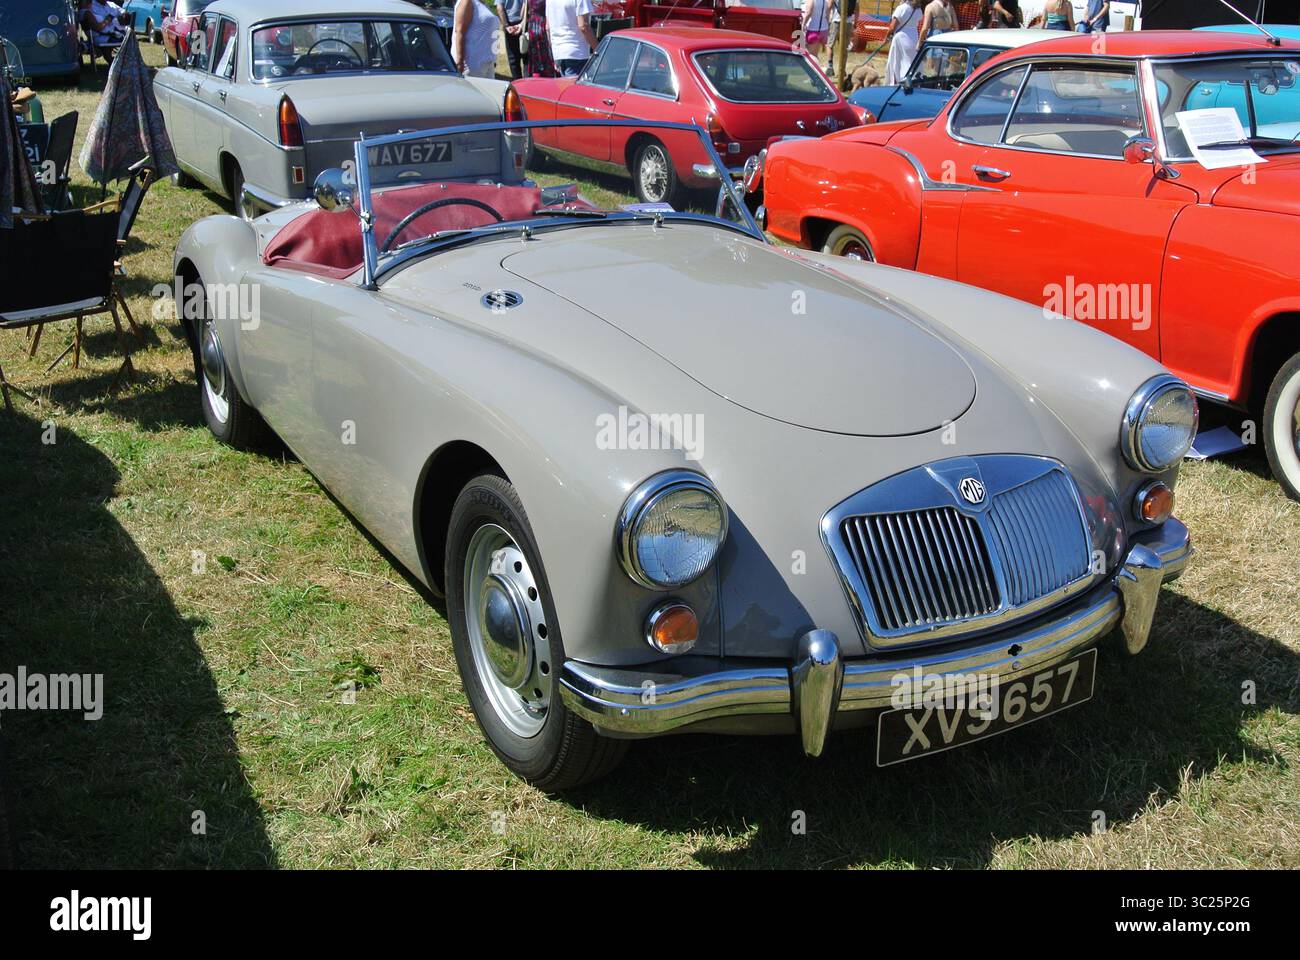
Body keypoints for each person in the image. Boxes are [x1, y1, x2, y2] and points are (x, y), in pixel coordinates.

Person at [546, 0, 596, 77]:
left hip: (558, 53)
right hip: (576, 53)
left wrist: (554, 52)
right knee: (576, 88)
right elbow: (583, 26)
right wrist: (597, 49)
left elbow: (548, 28)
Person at [452, 0, 498, 78]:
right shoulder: (467, 2)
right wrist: (459, 62)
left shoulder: (483, 4)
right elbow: (459, 32)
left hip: (487, 63)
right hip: (471, 65)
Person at [884, 0, 923, 86]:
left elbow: (892, 27)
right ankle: (914, 81)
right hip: (914, 36)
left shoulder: (901, 8)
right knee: (911, 61)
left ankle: (898, 82)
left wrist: (886, 38)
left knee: (895, 62)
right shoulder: (918, 10)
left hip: (901, 37)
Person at [524, 0, 556, 77]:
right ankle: (546, 76)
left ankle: (536, 76)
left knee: (536, 56)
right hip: (542, 25)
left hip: (532, 25)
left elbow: (525, 11)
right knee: (545, 54)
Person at [497, 0, 527, 79]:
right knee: (527, 58)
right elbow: (527, 6)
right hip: (525, 23)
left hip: (510, 23)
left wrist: (506, 25)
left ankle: (518, 84)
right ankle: (528, 83)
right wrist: (522, 24)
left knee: (513, 60)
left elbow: (499, 8)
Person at [826, 0, 858, 71]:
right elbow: (857, 10)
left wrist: (827, 18)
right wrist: (855, 24)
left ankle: (830, 67)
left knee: (830, 45)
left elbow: (829, 6)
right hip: (848, 23)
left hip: (836, 21)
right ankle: (842, 69)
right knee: (845, 48)